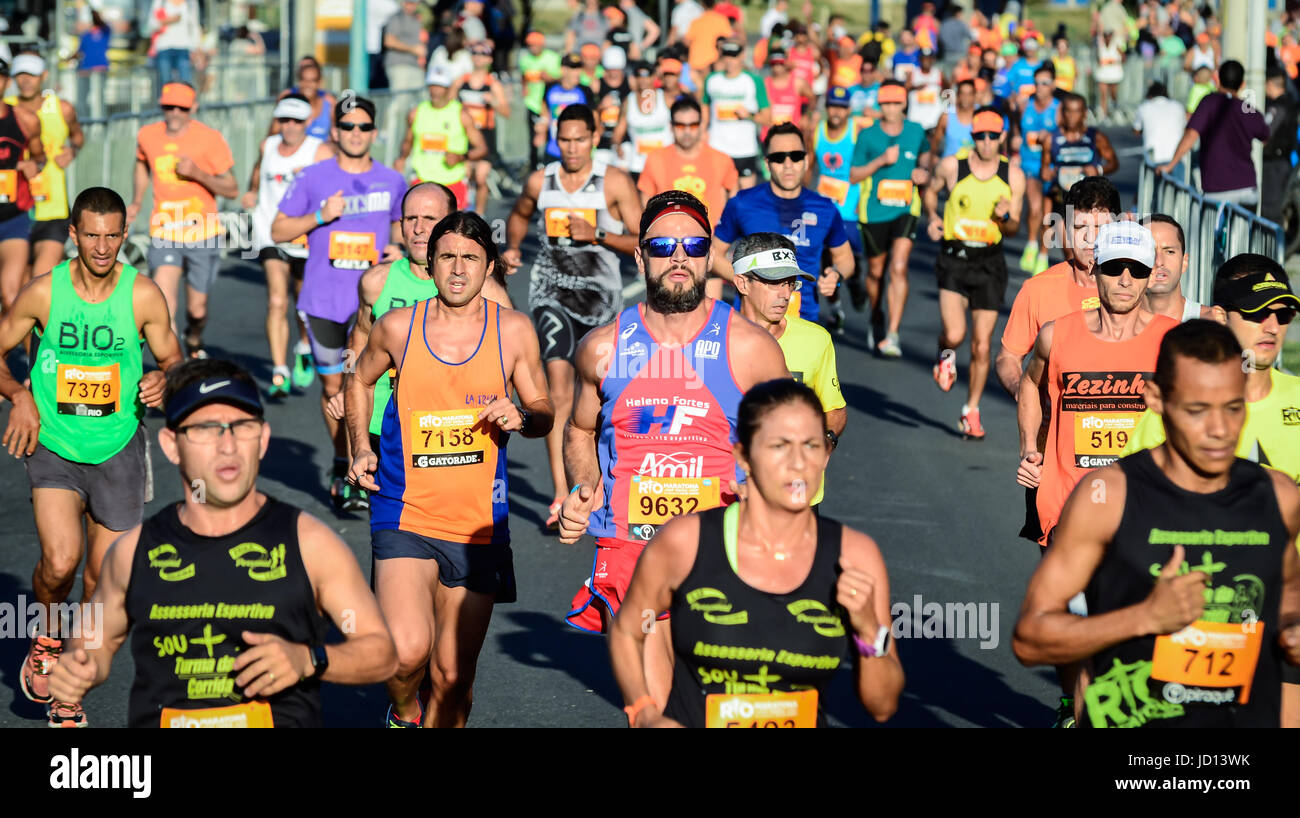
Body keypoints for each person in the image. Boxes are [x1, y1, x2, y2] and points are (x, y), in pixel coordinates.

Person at [47, 358, 399, 728]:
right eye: (205, 429)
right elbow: (96, 641)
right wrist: (80, 666)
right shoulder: (134, 552)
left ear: (262, 439)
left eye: (242, 427)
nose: (227, 445)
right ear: (171, 445)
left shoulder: (310, 544)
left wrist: (309, 660)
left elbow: (381, 652)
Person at [559, 190, 790, 704]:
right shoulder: (603, 347)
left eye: (694, 244)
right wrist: (584, 487)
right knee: (651, 706)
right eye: (663, 245)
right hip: (631, 548)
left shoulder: (750, 348)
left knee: (716, 704)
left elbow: (793, 449)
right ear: (640, 256)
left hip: (725, 552)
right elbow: (580, 430)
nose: (679, 257)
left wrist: (761, 491)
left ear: (711, 255)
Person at [1013, 320, 1300, 728]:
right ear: (1156, 399)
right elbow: (1030, 636)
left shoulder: (1279, 497)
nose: (1220, 430)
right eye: (1197, 410)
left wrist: (1291, 628)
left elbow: (1289, 598)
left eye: (1233, 408)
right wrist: (1145, 618)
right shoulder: (1107, 499)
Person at [346, 211, 554, 728]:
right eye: (447, 258)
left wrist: (523, 416)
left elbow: (544, 411)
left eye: (470, 258)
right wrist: (359, 448)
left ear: (489, 268)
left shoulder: (514, 331)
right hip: (404, 510)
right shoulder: (397, 327)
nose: (458, 270)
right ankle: (403, 713)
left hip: (478, 524)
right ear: (430, 262)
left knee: (453, 677)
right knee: (406, 652)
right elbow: (358, 380)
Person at [610, 378, 903, 728]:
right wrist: (643, 712)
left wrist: (870, 631)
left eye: (812, 445)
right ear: (744, 457)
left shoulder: (855, 555)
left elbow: (883, 706)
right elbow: (629, 630)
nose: (798, 463)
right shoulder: (686, 542)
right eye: (780, 446)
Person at [3, 187, 182, 727]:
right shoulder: (43, 293)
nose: (102, 247)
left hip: (119, 449)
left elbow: (176, 357)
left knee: (102, 581)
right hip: (54, 445)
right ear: (72, 235)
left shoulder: (144, 294)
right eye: (91, 235)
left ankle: (69, 690)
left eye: (112, 236)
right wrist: (19, 396)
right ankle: (47, 636)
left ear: (124, 235)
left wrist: (161, 377)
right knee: (59, 564)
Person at [504, 104, 642, 528]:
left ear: (594, 137)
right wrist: (511, 248)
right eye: (564, 139)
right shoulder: (540, 181)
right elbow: (521, 214)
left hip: (600, 300)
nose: (572, 148)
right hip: (552, 292)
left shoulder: (612, 182)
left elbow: (640, 239)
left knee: (602, 395)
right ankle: (561, 493)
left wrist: (598, 233)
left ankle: (601, 479)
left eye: (580, 139)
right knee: (559, 388)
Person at [272, 94, 406, 512]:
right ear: (334, 132)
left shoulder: (392, 180)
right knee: (336, 387)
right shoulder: (312, 177)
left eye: (364, 127)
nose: (355, 134)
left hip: (374, 304)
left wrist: (399, 249)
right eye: (347, 127)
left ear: (375, 132)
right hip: (324, 301)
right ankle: (342, 462)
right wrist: (320, 217)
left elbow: (405, 229)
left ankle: (368, 465)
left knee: (369, 385)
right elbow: (277, 229)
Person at [1017, 220, 1178, 551]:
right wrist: (1029, 449)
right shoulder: (1054, 334)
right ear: (1095, 268)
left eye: (1136, 270)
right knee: (1072, 601)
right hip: (1066, 502)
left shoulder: (1173, 342)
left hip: (1144, 503)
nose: (1124, 279)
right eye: (1114, 267)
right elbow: (1031, 383)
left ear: (1149, 276)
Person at [997, 176, 1114, 549]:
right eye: (1081, 227)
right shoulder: (1039, 290)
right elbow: (1009, 358)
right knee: (1059, 560)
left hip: (1124, 452)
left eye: (1101, 228)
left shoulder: (1137, 290)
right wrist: (1023, 389)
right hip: (1053, 452)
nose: (1090, 238)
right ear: (1064, 229)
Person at [1122, 253, 1300, 484]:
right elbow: (1127, 491)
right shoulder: (1177, 404)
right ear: (1220, 316)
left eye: (1284, 314)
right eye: (1257, 313)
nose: (1273, 328)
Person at [924, 107, 1025, 439]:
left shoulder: (1014, 177)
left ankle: (971, 411)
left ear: (1001, 138)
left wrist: (1005, 216)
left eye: (992, 136)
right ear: (972, 138)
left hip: (990, 262)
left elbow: (1012, 229)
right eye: (980, 136)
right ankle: (946, 352)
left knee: (982, 346)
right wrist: (933, 218)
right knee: (955, 334)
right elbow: (930, 190)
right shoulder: (954, 166)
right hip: (955, 257)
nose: (986, 142)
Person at [732, 233, 846, 507]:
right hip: (729, 491)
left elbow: (834, 410)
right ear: (742, 283)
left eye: (790, 283)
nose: (785, 294)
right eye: (773, 283)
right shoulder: (712, 337)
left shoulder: (817, 340)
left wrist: (826, 440)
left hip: (795, 495)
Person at [127, 83, 238, 359]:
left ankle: (194, 335)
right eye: (168, 107)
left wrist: (198, 174)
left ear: (194, 108)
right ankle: (175, 369)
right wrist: (137, 201)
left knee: (196, 310)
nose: (174, 113)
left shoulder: (209, 139)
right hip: (164, 230)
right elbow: (141, 164)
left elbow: (232, 188)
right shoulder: (147, 135)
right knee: (164, 306)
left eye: (182, 108)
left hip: (203, 233)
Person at [713, 123, 855, 327]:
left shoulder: (825, 208)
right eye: (779, 158)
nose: (788, 164)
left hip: (804, 321)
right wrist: (745, 281)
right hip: (750, 323)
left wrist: (836, 276)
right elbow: (714, 253)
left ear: (806, 161)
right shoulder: (743, 203)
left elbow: (845, 259)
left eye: (795, 156)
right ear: (767, 163)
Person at [243, 94, 335, 399]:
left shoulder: (318, 151)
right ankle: (279, 370)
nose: (290, 127)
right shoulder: (267, 145)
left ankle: (304, 345)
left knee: (303, 304)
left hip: (307, 235)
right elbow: (258, 172)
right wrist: (251, 191)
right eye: (285, 120)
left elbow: (333, 187)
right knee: (277, 301)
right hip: (271, 233)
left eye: (297, 121)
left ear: (307, 122)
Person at [851, 80, 933, 353]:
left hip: (906, 209)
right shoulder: (867, 135)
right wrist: (880, 162)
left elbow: (925, 154)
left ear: (904, 104)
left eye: (896, 103)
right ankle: (876, 314)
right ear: (879, 105)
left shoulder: (915, 130)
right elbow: (853, 175)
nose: (891, 108)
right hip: (873, 212)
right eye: (885, 103)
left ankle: (893, 334)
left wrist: (923, 170)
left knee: (898, 267)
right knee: (875, 272)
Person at [4, 54, 83, 281]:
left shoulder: (62, 108)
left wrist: (72, 150)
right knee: (17, 288)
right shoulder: (5, 110)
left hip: (53, 206)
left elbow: (78, 136)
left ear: (44, 76)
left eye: (32, 75)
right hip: (14, 207)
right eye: (21, 75)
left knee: (42, 281)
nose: (26, 81)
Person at [1161, 60, 1269, 207]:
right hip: (1247, 187)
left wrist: (1171, 164)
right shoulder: (1247, 109)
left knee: (1211, 229)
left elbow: (1191, 134)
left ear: (1218, 80)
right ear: (1242, 84)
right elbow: (1264, 136)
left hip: (1216, 186)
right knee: (1245, 228)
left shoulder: (1209, 103)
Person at [637, 95, 736, 238]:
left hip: (710, 239)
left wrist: (724, 233)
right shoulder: (655, 159)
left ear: (702, 124)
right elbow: (645, 200)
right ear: (671, 126)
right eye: (680, 125)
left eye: (693, 125)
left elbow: (733, 194)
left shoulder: (721, 159)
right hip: (668, 238)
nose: (687, 131)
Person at [396, 65, 488, 212]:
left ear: (449, 88)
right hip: (422, 180)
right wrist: (401, 158)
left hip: (452, 182)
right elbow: (408, 141)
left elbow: (482, 148)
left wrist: (460, 157)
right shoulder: (416, 113)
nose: (435, 91)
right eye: (432, 85)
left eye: (440, 86)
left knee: (453, 232)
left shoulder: (461, 114)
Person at [0, 58, 44, 319]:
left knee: (11, 295)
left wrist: (32, 164)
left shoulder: (25, 119)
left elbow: (40, 156)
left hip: (12, 217)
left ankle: (29, 359)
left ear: (6, 81)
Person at [1042, 93, 1118, 230]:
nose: (1072, 116)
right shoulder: (1051, 139)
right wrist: (1048, 173)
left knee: (1081, 240)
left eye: (1076, 111)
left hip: (1089, 198)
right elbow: (1044, 170)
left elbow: (1114, 163)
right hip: (1061, 196)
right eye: (1068, 111)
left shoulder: (1096, 137)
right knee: (1059, 236)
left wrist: (1099, 170)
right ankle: (1041, 250)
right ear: (1062, 113)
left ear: (1084, 113)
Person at [703, 40, 770, 190]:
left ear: (742, 56)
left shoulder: (753, 81)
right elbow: (704, 111)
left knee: (745, 198)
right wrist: (703, 131)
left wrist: (749, 115)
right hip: (717, 147)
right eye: (727, 55)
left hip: (744, 149)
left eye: (734, 56)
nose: (730, 61)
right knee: (718, 196)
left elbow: (767, 118)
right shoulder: (712, 80)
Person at [453, 43, 509, 215]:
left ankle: (480, 214)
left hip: (485, 136)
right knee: (465, 176)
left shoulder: (493, 84)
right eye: (475, 53)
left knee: (481, 177)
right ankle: (463, 211)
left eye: (483, 53)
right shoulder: (462, 81)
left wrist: (494, 102)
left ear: (489, 59)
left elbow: (506, 112)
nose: (478, 56)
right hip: (465, 135)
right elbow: (448, 101)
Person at [1015, 62, 1060, 277]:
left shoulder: (1058, 108)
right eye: (1037, 82)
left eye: (1045, 82)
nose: (1040, 87)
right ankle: (1032, 243)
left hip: (1050, 168)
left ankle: (1043, 254)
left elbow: (1064, 135)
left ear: (1052, 85)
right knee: (1033, 208)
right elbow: (1016, 126)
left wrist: (1050, 138)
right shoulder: (1025, 105)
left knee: (1046, 214)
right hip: (1029, 164)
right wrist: (1015, 139)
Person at [1140, 213, 1211, 322]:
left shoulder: (1210, 323)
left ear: (1184, 262)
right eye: (1149, 251)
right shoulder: (1112, 325)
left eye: (1169, 252)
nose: (1158, 262)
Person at [614, 60, 674, 184]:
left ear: (654, 77)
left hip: (664, 162)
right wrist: (617, 145)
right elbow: (619, 130)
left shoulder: (666, 99)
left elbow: (679, 125)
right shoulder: (629, 101)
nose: (643, 80)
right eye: (639, 76)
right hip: (639, 164)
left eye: (647, 76)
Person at [536, 53, 598, 165]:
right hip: (553, 149)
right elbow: (545, 110)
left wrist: (595, 136)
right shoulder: (550, 88)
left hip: (578, 152)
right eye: (573, 68)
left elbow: (594, 116)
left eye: (579, 68)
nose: (578, 72)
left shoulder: (585, 90)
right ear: (563, 70)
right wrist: (541, 129)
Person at [520, 32, 562, 171]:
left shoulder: (553, 58)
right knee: (533, 138)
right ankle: (534, 168)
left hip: (550, 104)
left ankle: (549, 164)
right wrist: (524, 87)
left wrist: (550, 78)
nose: (533, 48)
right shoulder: (525, 60)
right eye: (530, 45)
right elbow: (524, 76)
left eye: (535, 45)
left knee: (551, 135)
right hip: (532, 104)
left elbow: (561, 80)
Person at [271, 58, 337, 143]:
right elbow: (272, 136)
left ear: (319, 82)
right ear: (299, 81)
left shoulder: (329, 103)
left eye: (312, 80)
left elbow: (336, 136)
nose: (308, 85)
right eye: (304, 79)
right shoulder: (287, 102)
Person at [1262, 67, 1297, 224]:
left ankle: (1272, 248)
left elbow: (1266, 133)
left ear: (1269, 84)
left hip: (1274, 165)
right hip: (1282, 162)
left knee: (1270, 209)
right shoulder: (1290, 103)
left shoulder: (1278, 107)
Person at [1132, 82, 1186, 175]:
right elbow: (1185, 129)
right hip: (1176, 156)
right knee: (1178, 187)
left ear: (1150, 95)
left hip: (1153, 157)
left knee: (1151, 188)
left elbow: (1136, 131)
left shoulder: (1144, 107)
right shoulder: (1178, 106)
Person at [148, 0, 199, 89]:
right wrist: (168, 20)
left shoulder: (191, 2)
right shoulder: (160, 2)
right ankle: (167, 102)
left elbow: (194, 26)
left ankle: (184, 102)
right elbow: (151, 24)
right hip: (164, 47)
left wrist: (196, 47)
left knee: (186, 84)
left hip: (184, 47)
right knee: (166, 84)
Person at [763, 48, 815, 133]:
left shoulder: (797, 83)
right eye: (774, 63)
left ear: (786, 62)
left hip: (792, 135)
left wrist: (806, 115)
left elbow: (812, 98)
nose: (777, 67)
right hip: (770, 135)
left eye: (780, 63)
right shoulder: (764, 85)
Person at [383, 0, 429, 91]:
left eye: (414, 3)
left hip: (415, 66)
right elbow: (389, 41)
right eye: (409, 2)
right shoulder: (396, 18)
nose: (412, 6)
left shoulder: (416, 19)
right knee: (400, 99)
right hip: (399, 64)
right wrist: (413, 49)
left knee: (418, 99)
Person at [930, 78, 976, 159]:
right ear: (958, 95)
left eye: (969, 94)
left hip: (973, 168)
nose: (966, 97)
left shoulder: (980, 118)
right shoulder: (946, 117)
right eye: (963, 93)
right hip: (948, 168)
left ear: (974, 96)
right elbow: (934, 145)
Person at [1093, 29, 1125, 123]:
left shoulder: (1116, 46)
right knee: (1103, 94)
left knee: (1113, 94)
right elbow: (1098, 59)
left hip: (1114, 74)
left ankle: (1115, 109)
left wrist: (1114, 62)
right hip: (1103, 74)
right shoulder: (1100, 47)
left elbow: (1123, 57)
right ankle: (1104, 114)